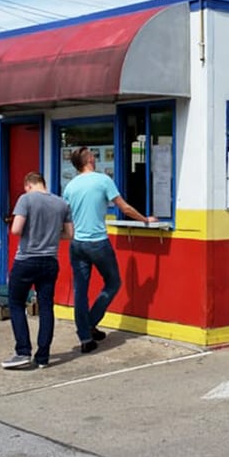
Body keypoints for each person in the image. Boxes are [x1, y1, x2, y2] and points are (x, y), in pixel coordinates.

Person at [63, 146, 154, 353]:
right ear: (88, 160)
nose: (94, 157)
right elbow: (125, 208)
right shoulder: (103, 180)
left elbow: (65, 215)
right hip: (97, 242)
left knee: (80, 292)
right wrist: (145, 219)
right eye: (92, 155)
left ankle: (86, 336)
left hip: (76, 244)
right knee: (113, 282)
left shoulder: (70, 186)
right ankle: (90, 323)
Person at [1, 172, 73, 370]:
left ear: (28, 185)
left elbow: (16, 229)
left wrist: (33, 233)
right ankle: (43, 356)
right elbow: (69, 234)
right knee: (46, 307)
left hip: (26, 260)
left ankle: (23, 351)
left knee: (16, 303)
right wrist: (49, 235)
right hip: (50, 261)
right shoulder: (62, 203)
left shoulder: (26, 199)